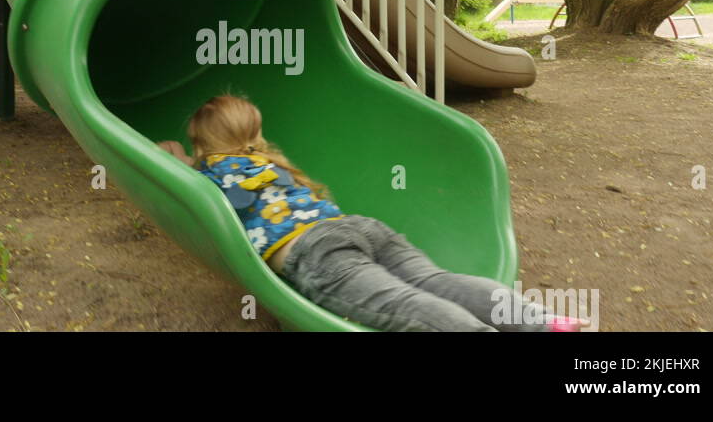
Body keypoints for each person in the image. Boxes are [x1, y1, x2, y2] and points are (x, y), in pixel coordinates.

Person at [157, 94, 584, 332]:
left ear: (203, 145)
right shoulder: (269, 162)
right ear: (252, 133)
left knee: (404, 302)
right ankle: (543, 324)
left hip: (314, 253)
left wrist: (177, 155)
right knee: (436, 281)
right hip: (357, 228)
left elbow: (175, 172)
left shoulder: (209, 174)